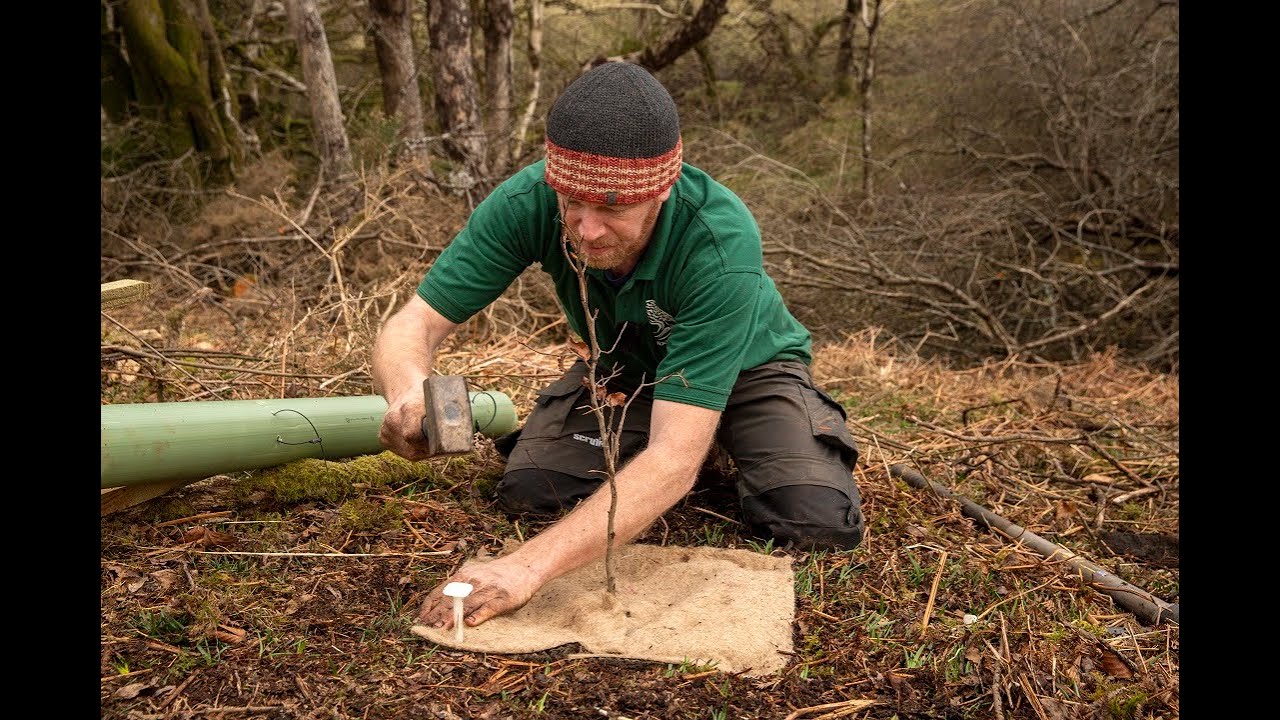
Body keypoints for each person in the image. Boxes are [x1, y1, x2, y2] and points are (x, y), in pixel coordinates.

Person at [372, 62, 864, 633]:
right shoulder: (529, 200)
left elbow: (675, 461)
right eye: (573, 202)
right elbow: (414, 323)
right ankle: (671, 446)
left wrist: (525, 568)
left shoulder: (719, 243)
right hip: (626, 369)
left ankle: (728, 435)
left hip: (752, 370)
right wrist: (407, 393)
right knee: (533, 489)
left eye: (612, 208)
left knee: (815, 518)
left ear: (661, 192)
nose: (586, 230)